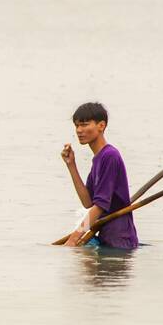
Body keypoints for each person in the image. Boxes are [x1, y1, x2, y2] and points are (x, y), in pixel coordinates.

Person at [60, 102, 139, 249]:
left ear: (101, 126)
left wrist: (74, 238)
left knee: (77, 253)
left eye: (84, 125)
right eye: (77, 126)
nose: (79, 130)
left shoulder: (110, 156)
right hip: (106, 237)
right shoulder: (98, 158)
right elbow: (88, 202)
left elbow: (100, 205)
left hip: (119, 241)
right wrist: (71, 165)